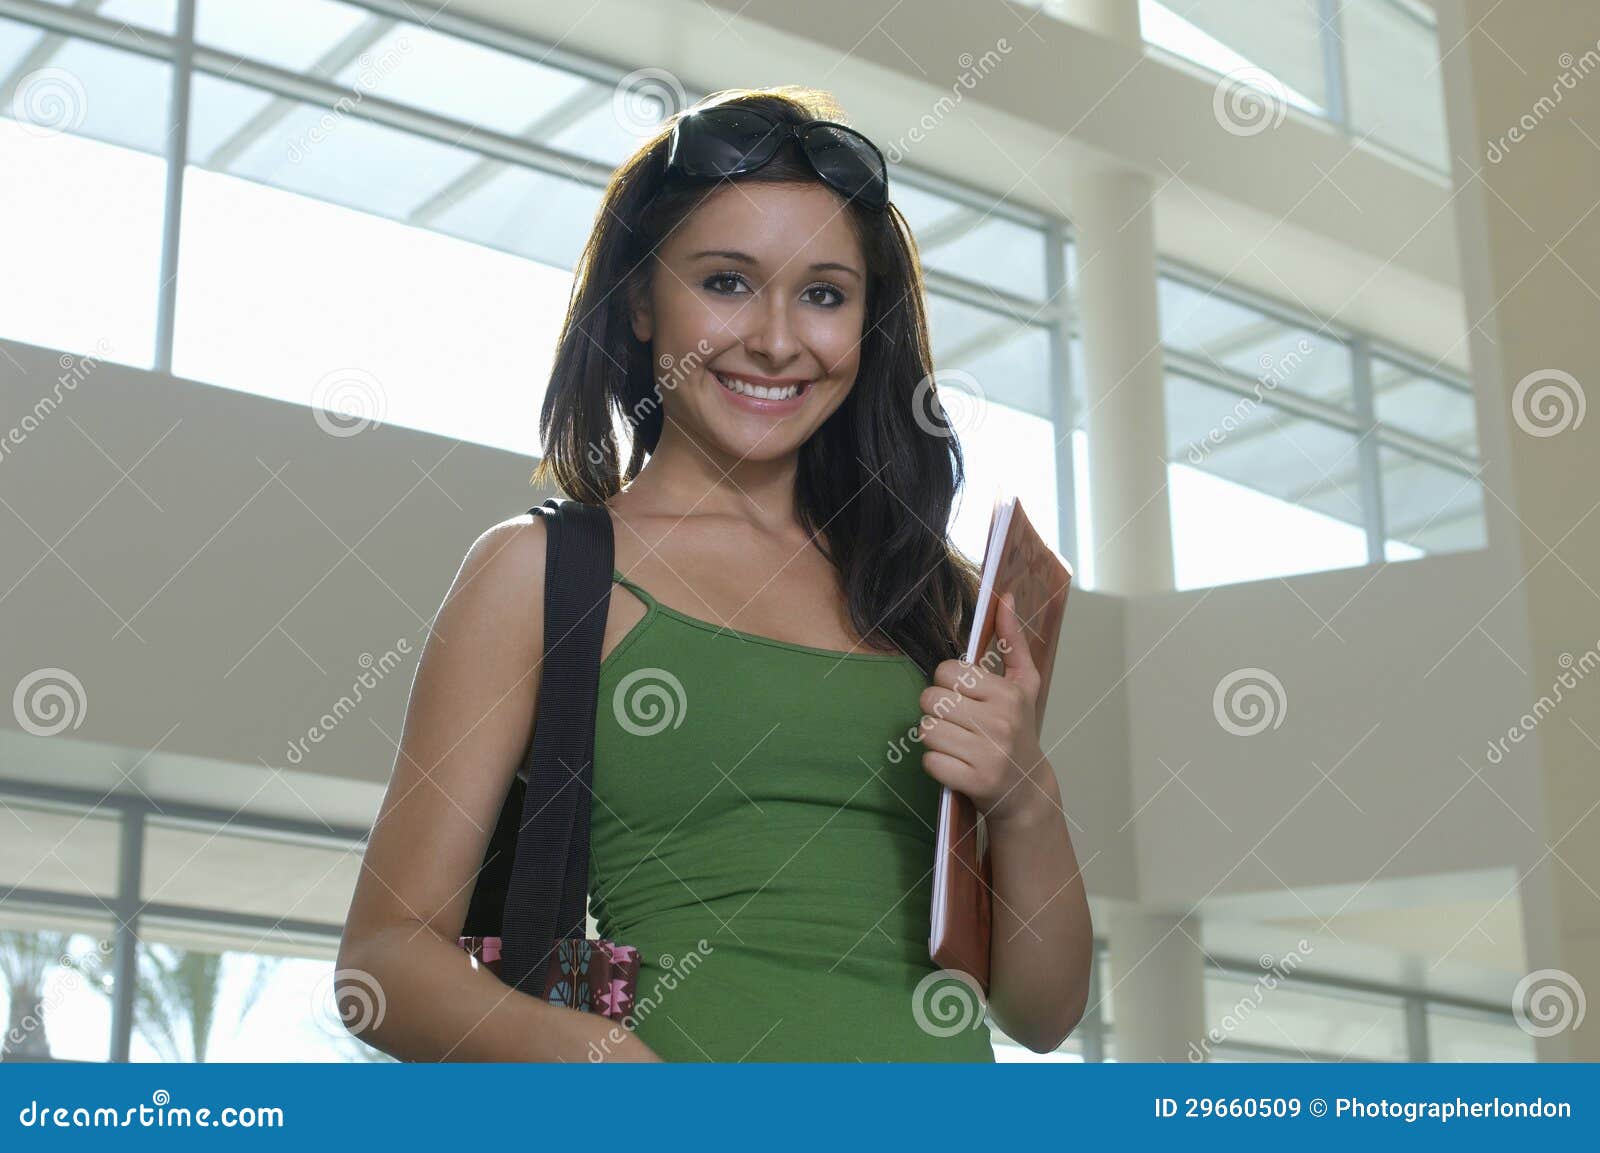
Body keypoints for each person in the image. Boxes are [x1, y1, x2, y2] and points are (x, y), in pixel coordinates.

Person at [338, 85, 1092, 1062]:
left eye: (824, 294)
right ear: (639, 301)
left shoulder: (932, 595)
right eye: (727, 282)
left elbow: (1042, 1013)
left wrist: (1027, 796)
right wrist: (605, 1065)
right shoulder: (542, 573)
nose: (776, 339)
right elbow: (384, 965)